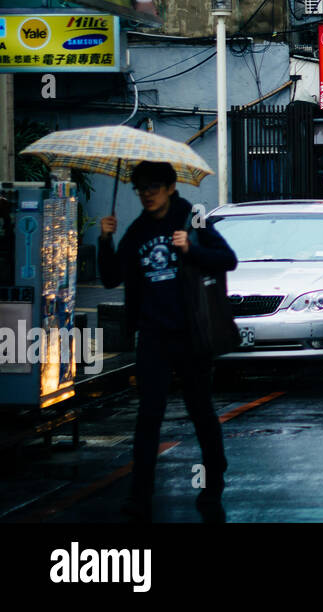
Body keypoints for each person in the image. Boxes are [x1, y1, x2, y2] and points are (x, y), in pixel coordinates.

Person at [98, 161, 238, 522]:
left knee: (201, 411)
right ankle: (139, 498)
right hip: (153, 336)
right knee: (148, 418)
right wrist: (105, 239)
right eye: (141, 188)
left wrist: (192, 249)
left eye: (154, 187)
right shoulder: (138, 229)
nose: (147, 194)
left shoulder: (190, 217)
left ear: (171, 187)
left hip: (190, 333)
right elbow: (112, 277)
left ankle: (213, 483)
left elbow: (228, 260)